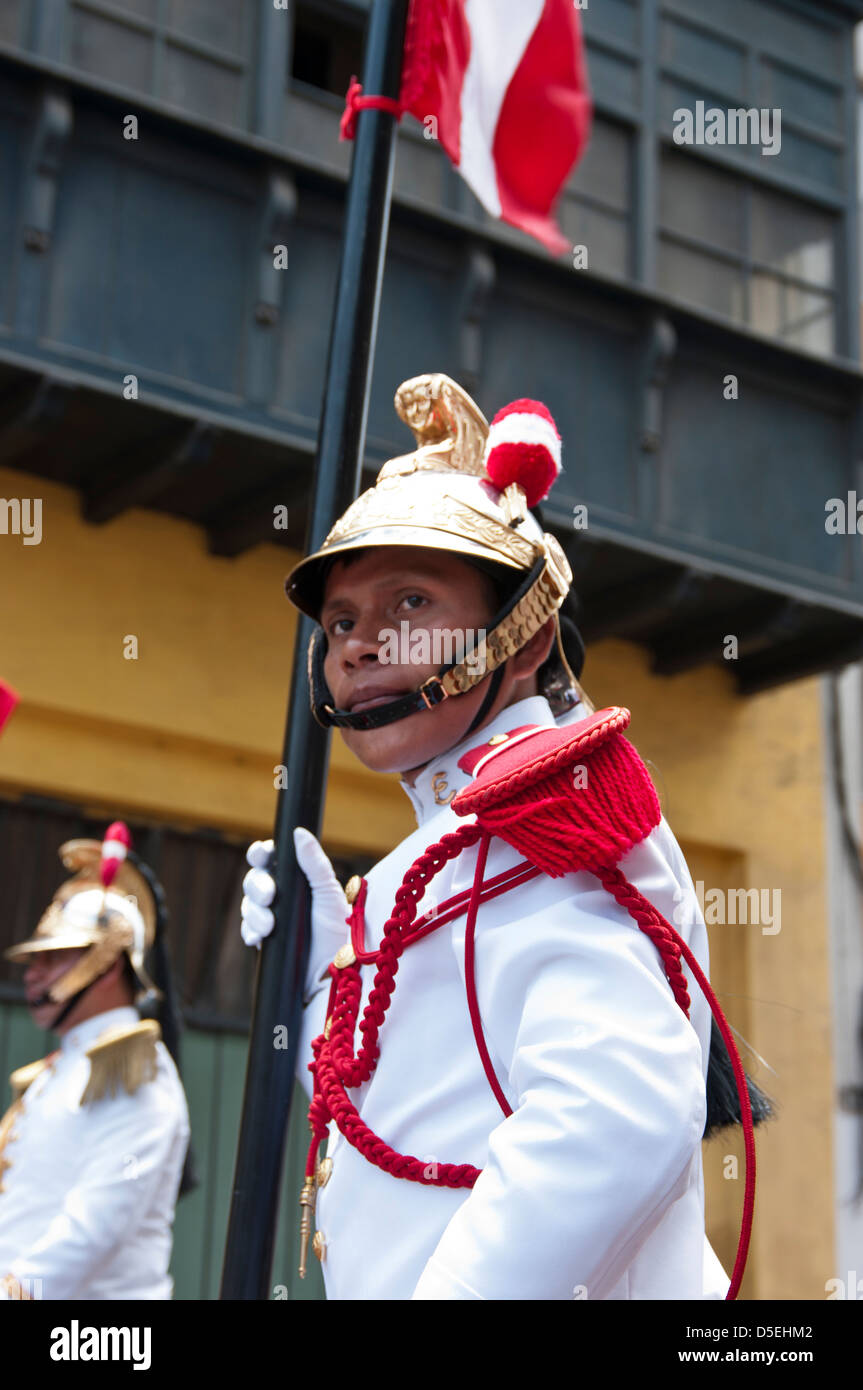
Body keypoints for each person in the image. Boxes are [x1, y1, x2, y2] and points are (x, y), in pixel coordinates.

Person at [241, 373, 766, 1300]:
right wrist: (329, 990)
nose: (359, 645)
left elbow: (617, 1117)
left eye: (409, 604)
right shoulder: (447, 844)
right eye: (341, 622)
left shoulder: (537, 817)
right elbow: (420, 1128)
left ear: (524, 640)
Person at [0, 821, 190, 1299]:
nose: (33, 973)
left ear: (107, 963)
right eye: (35, 959)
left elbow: (96, 1224)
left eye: (55, 956)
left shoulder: (130, 1068)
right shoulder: (61, 1068)